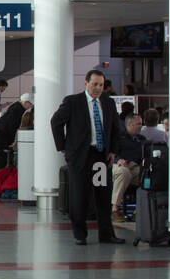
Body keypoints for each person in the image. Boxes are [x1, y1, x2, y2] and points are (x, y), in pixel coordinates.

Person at [51, 70, 125, 246]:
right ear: (86, 83)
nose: (98, 88)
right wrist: (63, 147)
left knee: (103, 195)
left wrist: (113, 150)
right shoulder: (73, 102)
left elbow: (115, 129)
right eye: (95, 84)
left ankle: (106, 234)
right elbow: (56, 122)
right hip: (80, 157)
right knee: (79, 196)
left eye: (101, 85)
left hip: (100, 156)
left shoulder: (107, 103)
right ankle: (80, 233)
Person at [111, 114, 146, 222]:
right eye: (138, 124)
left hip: (134, 165)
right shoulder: (118, 137)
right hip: (118, 165)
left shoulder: (142, 139)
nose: (141, 126)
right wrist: (118, 160)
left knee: (146, 174)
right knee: (124, 172)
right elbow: (110, 153)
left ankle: (138, 211)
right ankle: (115, 209)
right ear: (130, 125)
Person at [0, 93, 33, 178]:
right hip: (1, 136)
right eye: (30, 104)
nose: (30, 107)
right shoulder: (18, 109)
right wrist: (14, 141)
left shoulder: (15, 106)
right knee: (1, 160)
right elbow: (12, 126)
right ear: (25, 102)